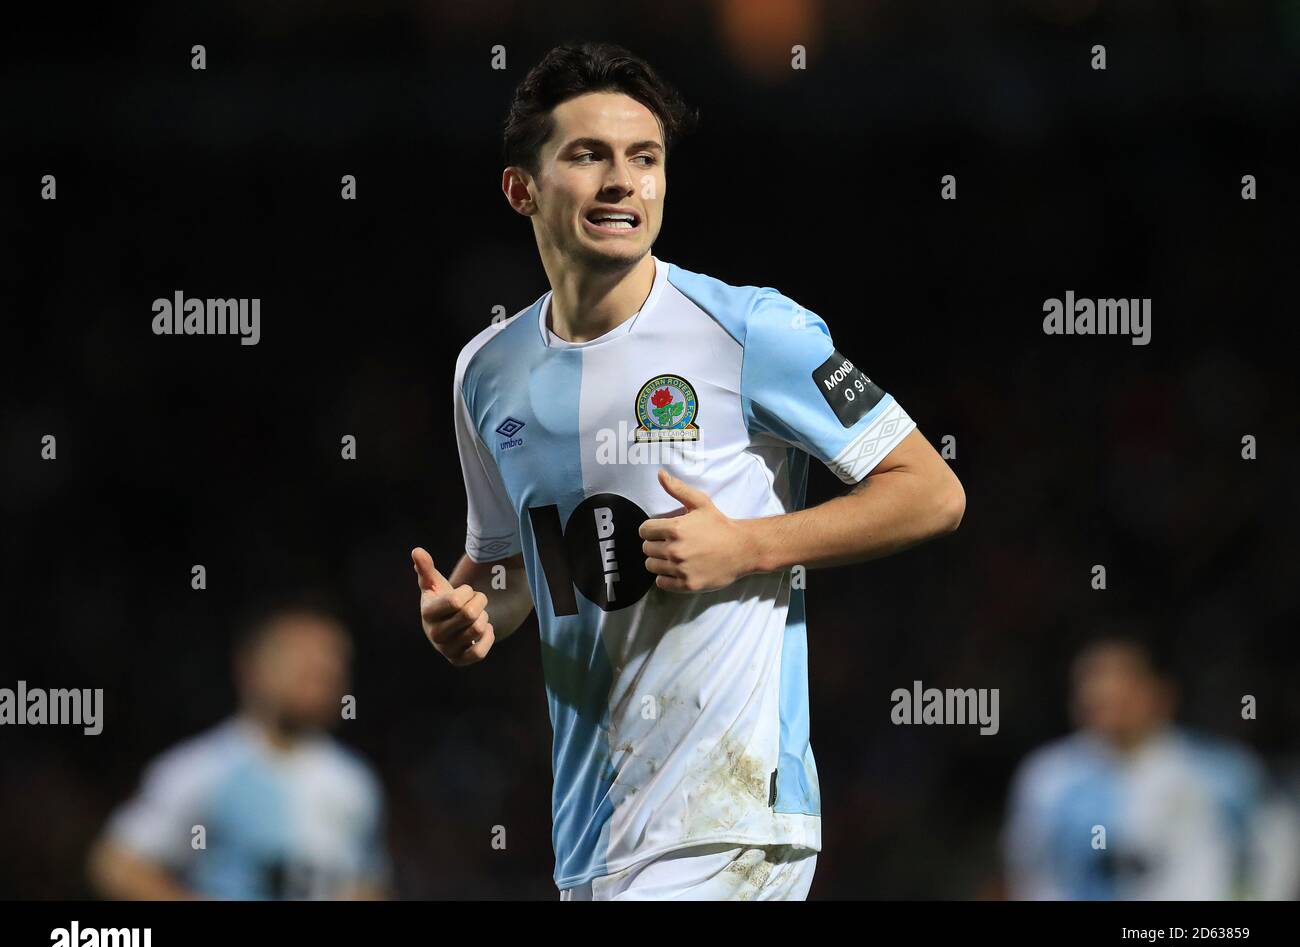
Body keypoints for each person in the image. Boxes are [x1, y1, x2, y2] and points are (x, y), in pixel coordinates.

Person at [412, 42, 964, 900]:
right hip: (594, 825)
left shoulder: (749, 329)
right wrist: (472, 612)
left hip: (729, 816)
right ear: (523, 188)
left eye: (645, 158)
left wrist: (746, 545)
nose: (622, 181)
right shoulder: (485, 372)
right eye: (587, 155)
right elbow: (515, 565)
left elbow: (932, 490)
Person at [87, 603, 390, 900]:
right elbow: (117, 865)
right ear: (252, 667)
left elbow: (367, 881)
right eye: (302, 659)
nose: (320, 672)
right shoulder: (201, 769)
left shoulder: (354, 782)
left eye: (332, 661)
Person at [1002, 633, 1299, 900]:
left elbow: (1276, 847)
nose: (1104, 695)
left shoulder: (1221, 773)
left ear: (1160, 693)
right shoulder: (1048, 778)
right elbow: (1028, 867)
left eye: (1121, 684)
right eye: (1092, 684)